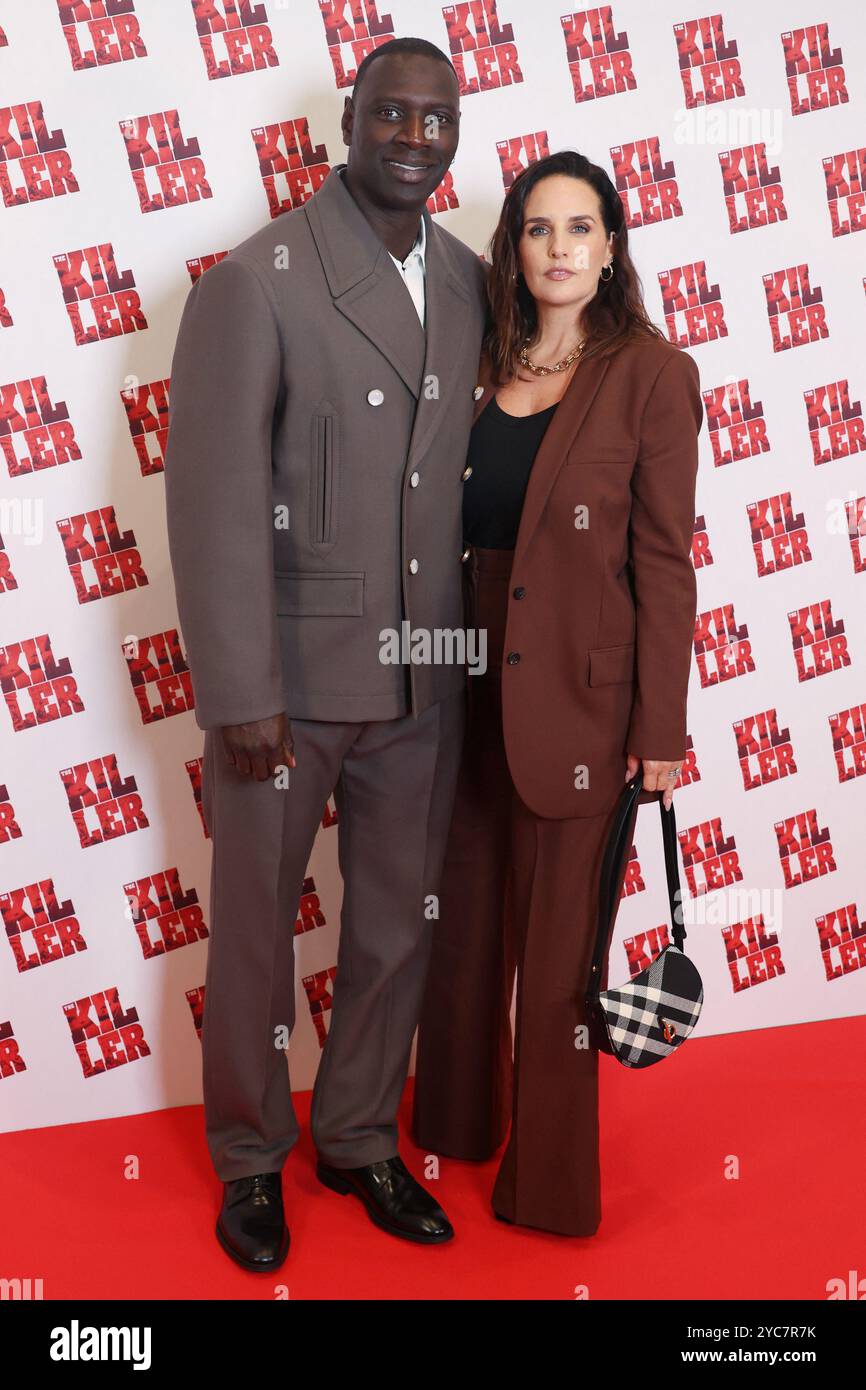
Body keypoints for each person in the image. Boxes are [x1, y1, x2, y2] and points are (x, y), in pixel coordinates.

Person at [163, 37, 488, 1270]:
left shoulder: (469, 281)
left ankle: (355, 1135)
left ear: (455, 134)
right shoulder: (259, 280)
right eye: (391, 115)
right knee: (255, 928)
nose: (415, 137)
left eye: (436, 119)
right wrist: (239, 688)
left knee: (394, 924)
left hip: (421, 673)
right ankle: (250, 1157)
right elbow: (215, 503)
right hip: (286, 690)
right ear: (345, 122)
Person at [411, 149, 703, 1237]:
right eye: (537, 229)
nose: (558, 248)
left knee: (556, 948)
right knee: (462, 920)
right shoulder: (481, 358)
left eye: (578, 228)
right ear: (513, 247)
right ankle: (453, 1125)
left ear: (612, 246)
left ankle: (547, 1187)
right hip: (462, 683)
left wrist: (658, 729)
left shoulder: (649, 373)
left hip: (580, 703)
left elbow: (665, 562)